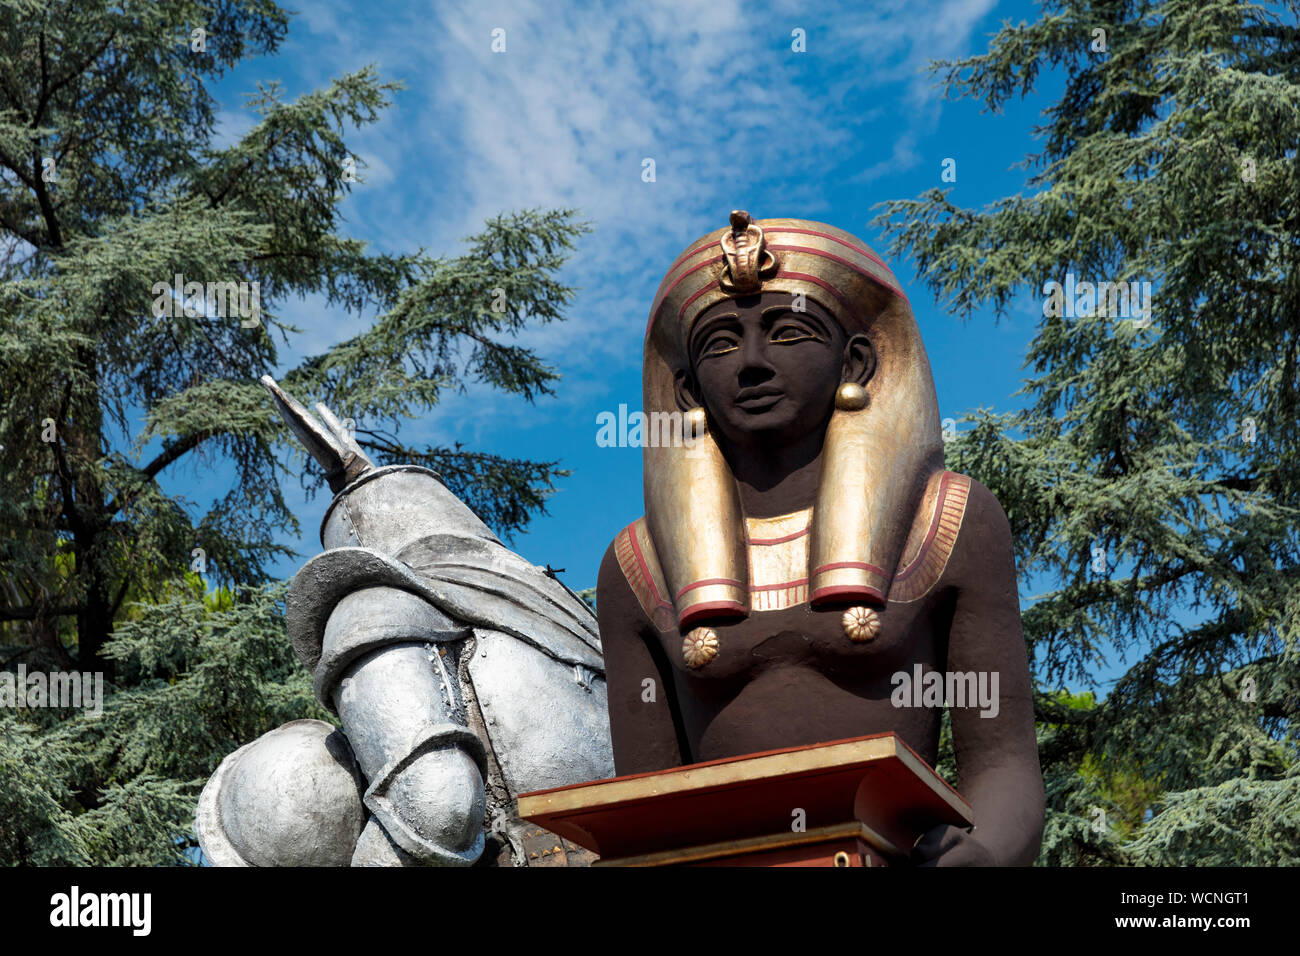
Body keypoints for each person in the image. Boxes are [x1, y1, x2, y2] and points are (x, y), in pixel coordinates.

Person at [596, 212, 1044, 866]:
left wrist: (985, 855)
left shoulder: (949, 520)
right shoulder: (637, 566)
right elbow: (647, 801)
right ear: (687, 386)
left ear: (855, 358)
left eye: (788, 333)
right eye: (721, 342)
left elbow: (1004, 763)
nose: (751, 364)